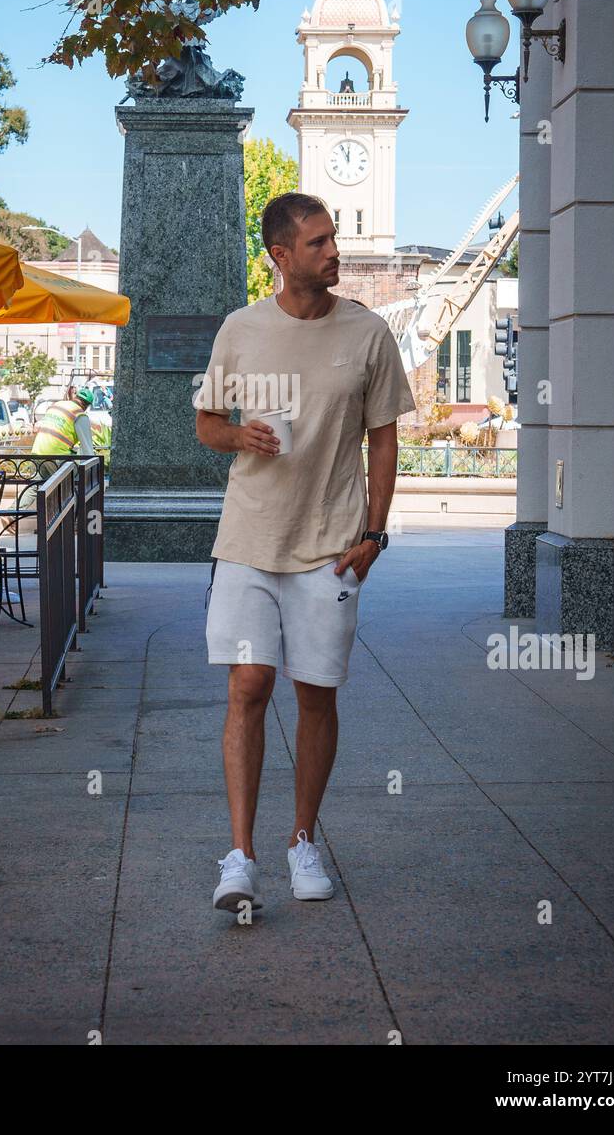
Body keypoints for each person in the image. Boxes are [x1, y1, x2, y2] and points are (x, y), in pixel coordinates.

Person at [194, 192, 415, 913]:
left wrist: (375, 533)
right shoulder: (240, 329)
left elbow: (384, 439)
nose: (333, 252)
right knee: (247, 687)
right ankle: (240, 856)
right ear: (281, 257)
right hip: (250, 541)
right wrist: (239, 435)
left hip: (330, 548)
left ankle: (301, 841)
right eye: (318, 243)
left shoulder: (369, 334)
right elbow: (206, 422)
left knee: (315, 693)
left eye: (332, 240)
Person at [31, 384, 95, 458]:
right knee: (76, 468)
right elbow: (87, 448)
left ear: (76, 397)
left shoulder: (56, 405)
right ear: (87, 406)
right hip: (57, 457)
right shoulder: (79, 414)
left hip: (36, 453)